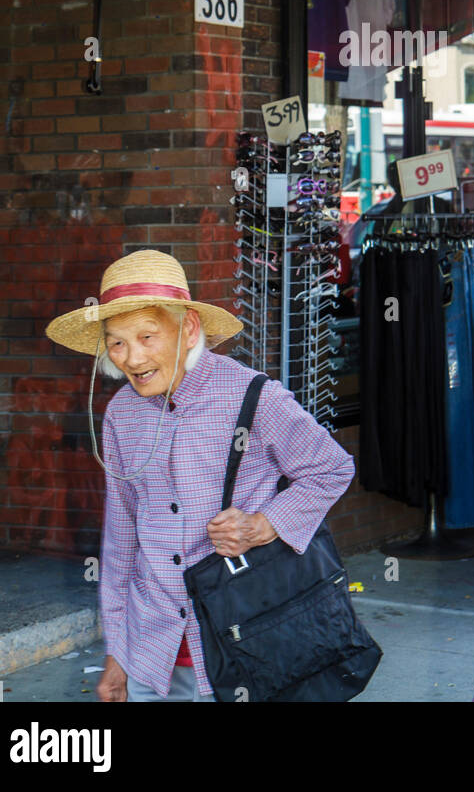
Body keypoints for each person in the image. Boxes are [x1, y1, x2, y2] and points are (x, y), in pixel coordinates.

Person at [45, 249, 355, 703]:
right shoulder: (120, 415)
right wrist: (118, 655)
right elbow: (121, 537)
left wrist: (262, 524)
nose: (131, 358)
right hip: (153, 654)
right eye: (117, 342)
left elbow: (330, 468)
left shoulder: (255, 398)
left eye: (147, 336)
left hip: (245, 642)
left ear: (188, 328)